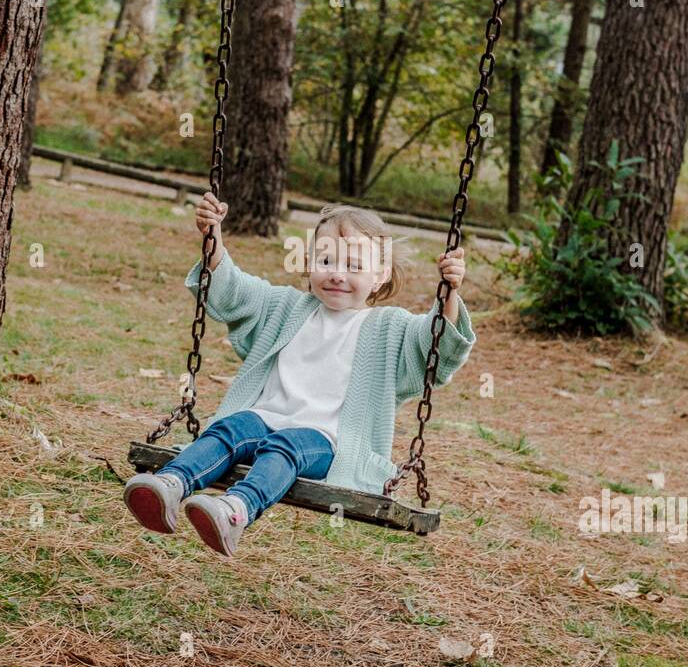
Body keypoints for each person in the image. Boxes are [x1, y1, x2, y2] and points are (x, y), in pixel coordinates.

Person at [123, 192, 475, 556]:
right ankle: (169, 484)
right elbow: (230, 291)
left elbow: (436, 346)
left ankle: (235, 510)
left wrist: (449, 292)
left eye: (354, 266)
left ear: (380, 275)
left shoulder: (390, 328)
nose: (338, 274)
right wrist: (214, 235)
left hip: (326, 443)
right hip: (264, 420)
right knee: (231, 426)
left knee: (285, 445)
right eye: (326, 260)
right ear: (309, 263)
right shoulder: (286, 307)